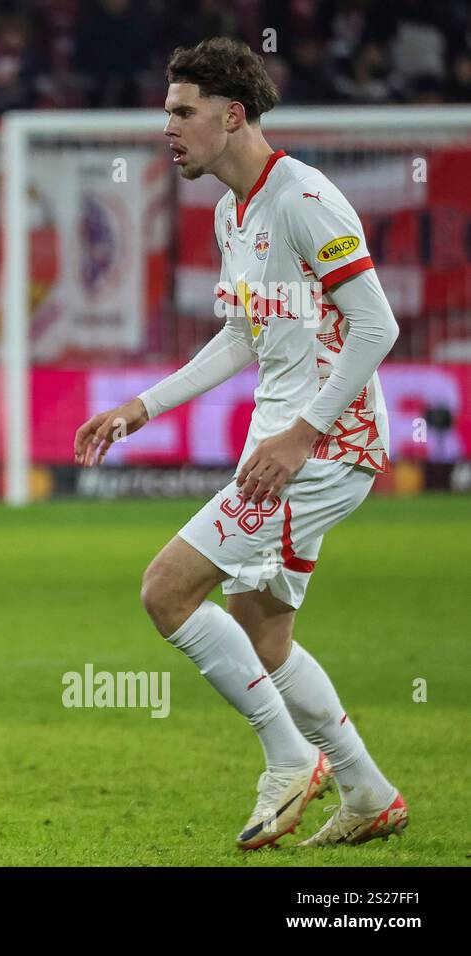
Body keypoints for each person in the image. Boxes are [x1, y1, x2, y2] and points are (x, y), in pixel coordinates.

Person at [74, 38, 407, 850]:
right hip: (290, 446)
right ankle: (368, 792)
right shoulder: (234, 210)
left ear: (232, 116)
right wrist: (140, 408)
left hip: (322, 450)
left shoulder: (304, 199)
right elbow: (239, 337)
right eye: (166, 112)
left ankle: (290, 759)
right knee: (262, 629)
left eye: (181, 112)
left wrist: (302, 434)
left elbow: (378, 324)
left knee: (166, 590)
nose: (168, 127)